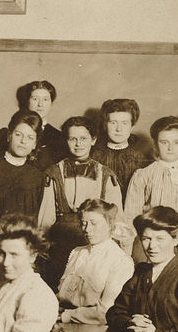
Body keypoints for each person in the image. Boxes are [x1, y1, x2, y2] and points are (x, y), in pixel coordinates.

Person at [38, 116, 126, 288]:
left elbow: (116, 218)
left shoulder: (106, 174)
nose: (78, 144)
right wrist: (42, 248)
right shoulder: (54, 173)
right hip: (61, 244)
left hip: (96, 243)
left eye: (84, 138)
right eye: (73, 139)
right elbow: (45, 220)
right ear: (66, 140)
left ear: (93, 140)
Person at [124, 116, 178, 262]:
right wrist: (127, 253)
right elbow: (130, 218)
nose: (171, 148)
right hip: (152, 240)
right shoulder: (143, 175)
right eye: (164, 142)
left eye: (176, 142)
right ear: (155, 144)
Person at [0, 111, 46, 278]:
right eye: (19, 134)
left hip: (25, 256)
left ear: (35, 144)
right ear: (9, 136)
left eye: (30, 138)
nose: (23, 141)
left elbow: (38, 220)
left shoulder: (37, 176)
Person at [56, 199, 135, 324]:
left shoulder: (119, 260)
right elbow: (61, 295)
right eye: (83, 223)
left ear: (109, 224)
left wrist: (66, 316)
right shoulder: (77, 252)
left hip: (90, 329)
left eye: (93, 223)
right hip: (60, 320)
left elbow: (106, 311)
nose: (87, 230)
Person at [90, 98, 154, 197]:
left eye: (125, 123)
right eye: (113, 123)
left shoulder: (141, 157)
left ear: (132, 127)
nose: (119, 129)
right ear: (105, 126)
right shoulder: (96, 155)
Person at [17, 80, 68, 169]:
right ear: (27, 102)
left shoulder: (59, 137)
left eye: (45, 99)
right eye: (35, 99)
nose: (40, 104)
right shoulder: (15, 132)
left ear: (51, 103)